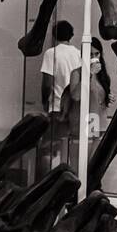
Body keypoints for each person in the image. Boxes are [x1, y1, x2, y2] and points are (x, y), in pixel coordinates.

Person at [40, 21, 82, 168]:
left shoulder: (51, 54)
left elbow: (47, 83)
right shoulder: (78, 53)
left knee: (51, 149)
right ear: (71, 35)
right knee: (69, 149)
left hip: (57, 107)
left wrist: (44, 103)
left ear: (54, 35)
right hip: (75, 108)